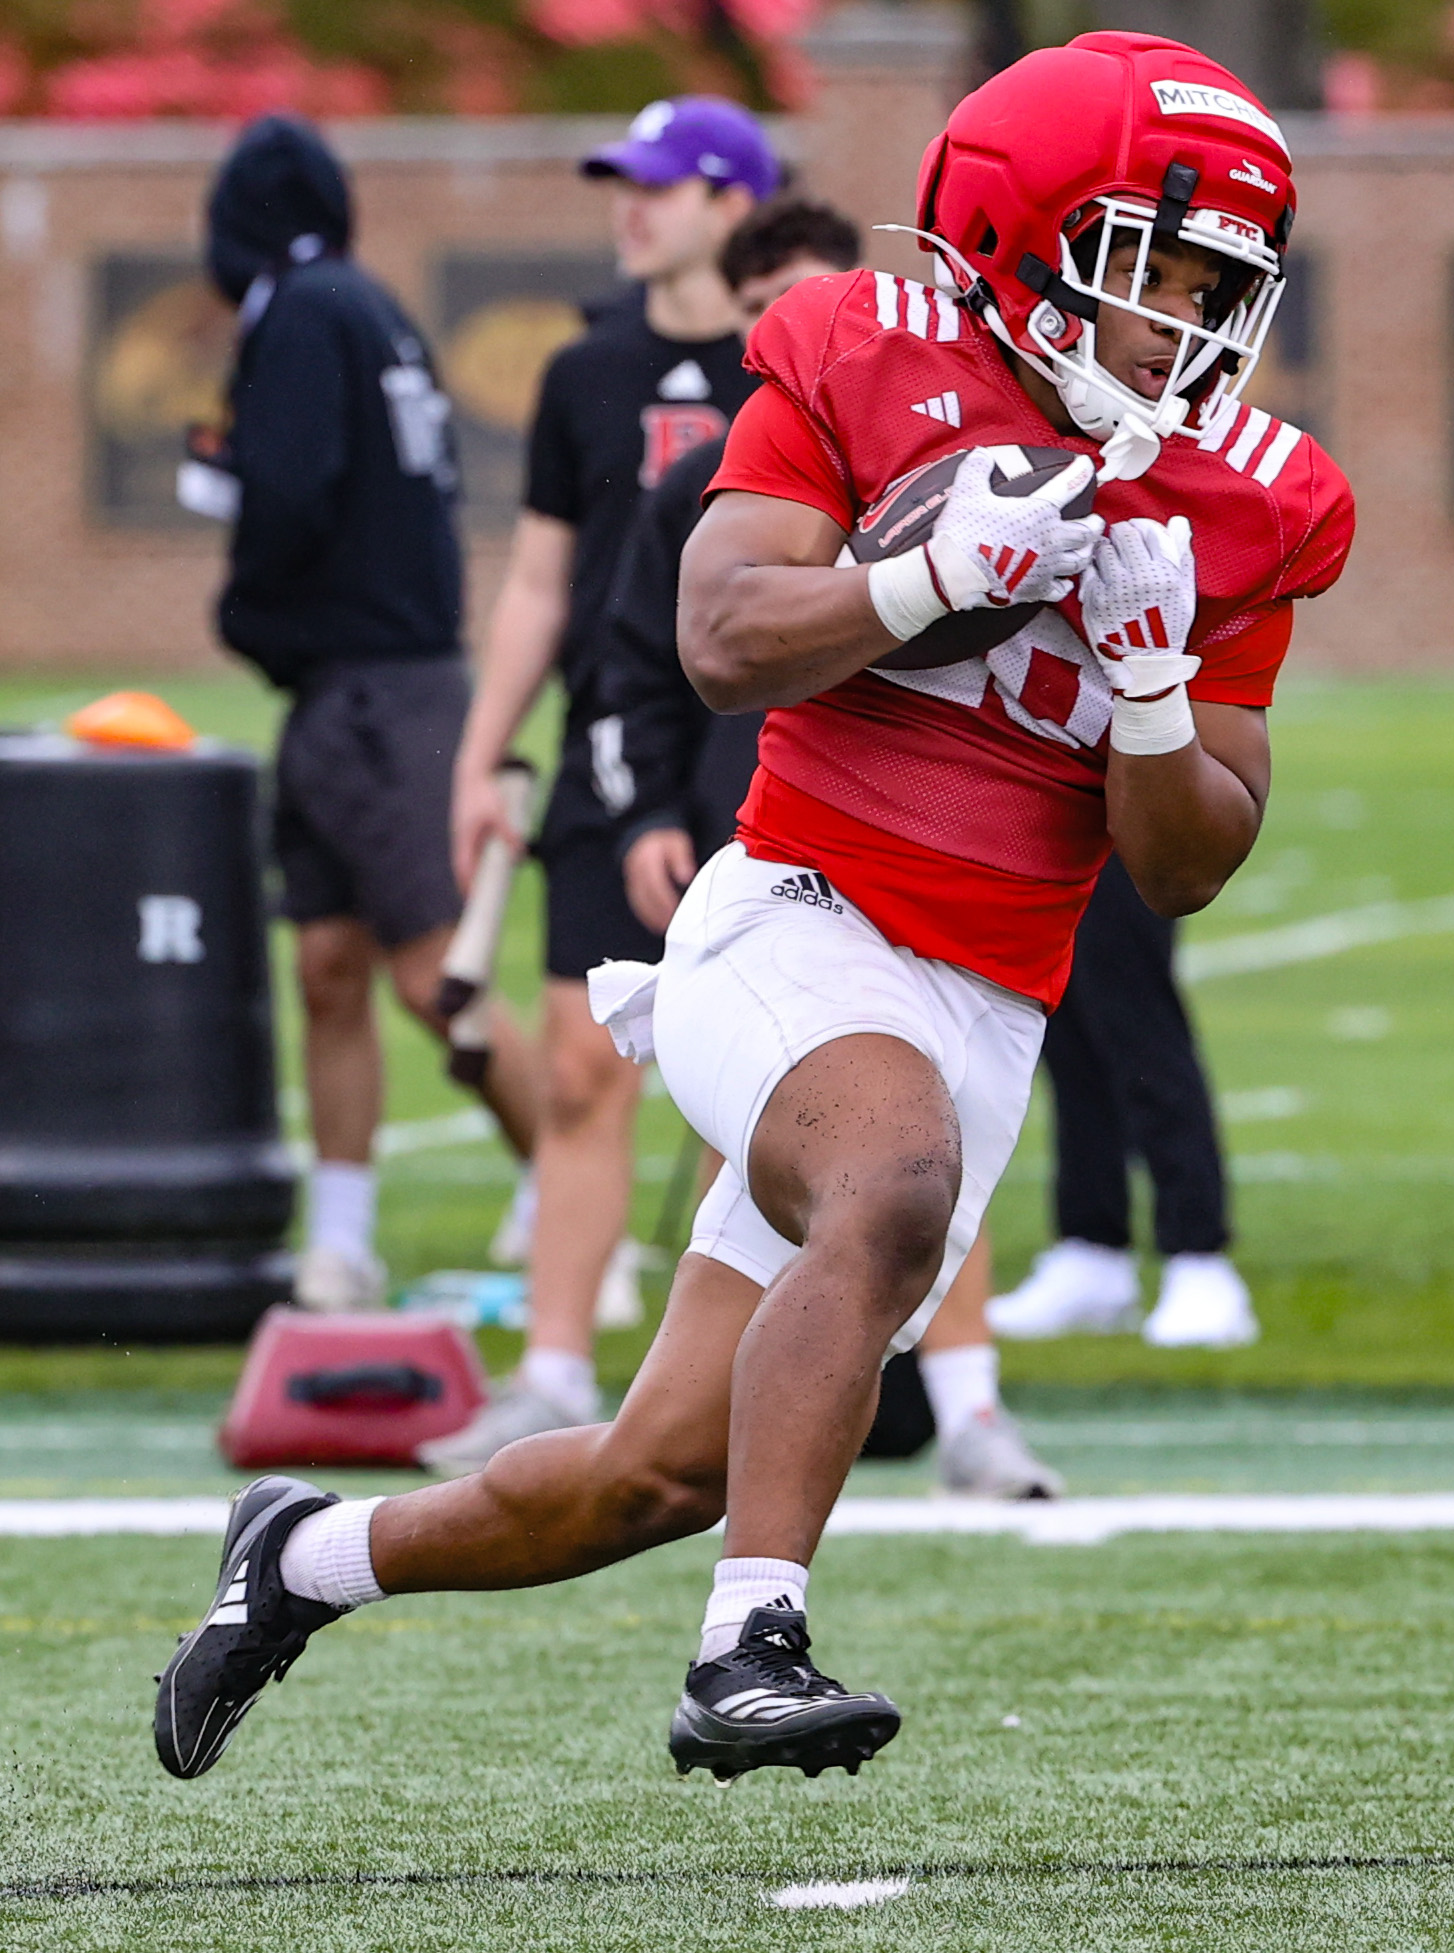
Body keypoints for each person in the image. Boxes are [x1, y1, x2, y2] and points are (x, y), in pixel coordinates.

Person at [155, 33, 1354, 1790]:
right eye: (1144, 269)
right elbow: (720, 634)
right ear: (1017, 242)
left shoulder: (1256, 496)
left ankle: (301, 1554)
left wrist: (1153, 683)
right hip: (790, 917)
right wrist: (927, 574)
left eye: (1212, 283)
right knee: (892, 1173)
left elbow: (1180, 863)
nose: (1180, 321)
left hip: (986, 1001)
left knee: (651, 1470)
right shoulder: (857, 348)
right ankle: (751, 1643)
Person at [590, 196, 1062, 1500]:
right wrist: (647, 809)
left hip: (925, 855)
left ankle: (964, 1402)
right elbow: (657, 652)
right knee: (884, 1141)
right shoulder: (712, 474)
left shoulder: (991, 449)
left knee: (655, 1475)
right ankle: (755, 1621)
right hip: (776, 852)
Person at [447, 97, 781, 1444]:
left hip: (755, 756)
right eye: (621, 184)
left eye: (664, 184)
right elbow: (539, 583)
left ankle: (719, 1383)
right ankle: (555, 1372)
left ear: (735, 202)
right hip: (608, 749)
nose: (631, 206)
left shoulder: (789, 369)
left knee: (742, 1077)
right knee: (586, 1068)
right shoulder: (584, 372)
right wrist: (480, 755)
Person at [198, 115, 536, 1312]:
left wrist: (246, 607)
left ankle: (564, 1188)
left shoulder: (299, 312)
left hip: (381, 687)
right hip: (361, 679)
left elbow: (289, 490)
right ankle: (340, 1241)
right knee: (330, 963)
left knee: (434, 974)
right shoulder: (367, 304)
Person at [987, 851, 1257, 1347]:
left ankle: (1198, 1257)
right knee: (1064, 1016)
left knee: (1135, 1012)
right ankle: (1094, 1247)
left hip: (1133, 802)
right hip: (1051, 794)